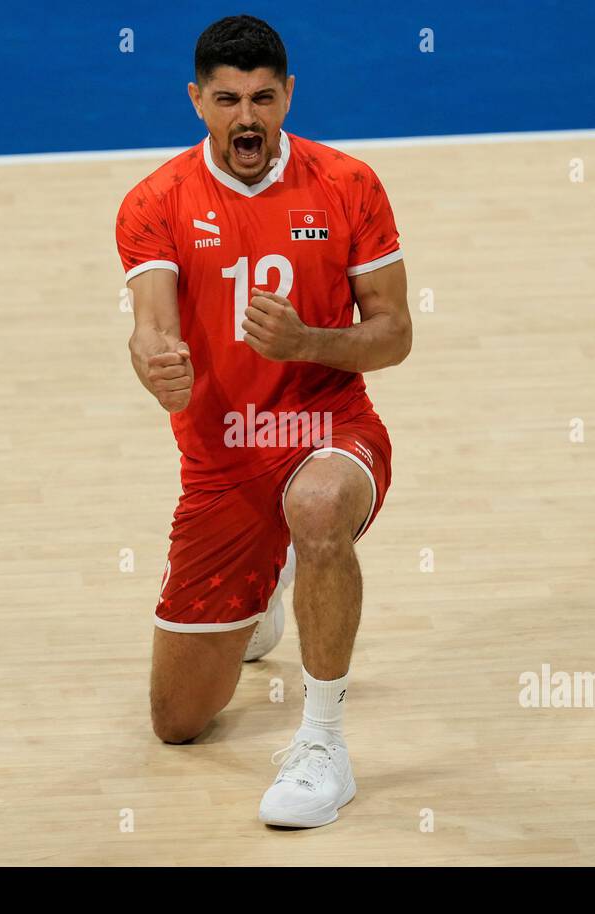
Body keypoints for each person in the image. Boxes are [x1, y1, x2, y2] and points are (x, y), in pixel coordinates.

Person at [114, 14, 412, 828]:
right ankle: (270, 581)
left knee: (316, 511)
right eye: (227, 99)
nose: (246, 117)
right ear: (196, 101)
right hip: (221, 463)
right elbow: (150, 323)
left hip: (328, 431)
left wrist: (311, 340)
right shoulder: (157, 201)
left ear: (288, 96)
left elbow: (395, 334)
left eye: (262, 98)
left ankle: (324, 746)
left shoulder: (348, 185)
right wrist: (153, 362)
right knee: (178, 724)